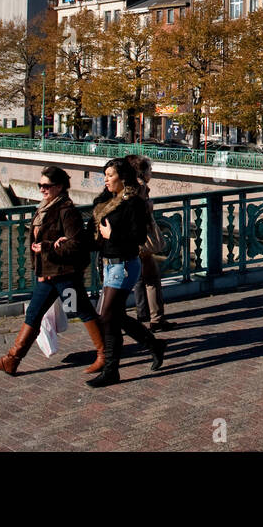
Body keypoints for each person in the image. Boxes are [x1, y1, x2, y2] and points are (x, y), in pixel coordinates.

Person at [0, 166, 104, 376]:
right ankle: (11, 360)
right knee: (34, 314)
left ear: (59, 187)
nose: (42, 189)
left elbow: (76, 244)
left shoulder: (67, 211)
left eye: (46, 185)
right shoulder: (45, 207)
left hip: (64, 275)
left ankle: (105, 354)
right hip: (48, 276)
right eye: (40, 185)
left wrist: (47, 246)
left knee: (82, 310)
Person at [86, 157, 167, 387]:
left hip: (125, 265)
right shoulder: (108, 200)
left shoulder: (134, 203)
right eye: (105, 176)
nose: (106, 180)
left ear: (122, 178)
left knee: (107, 316)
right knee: (114, 316)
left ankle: (112, 370)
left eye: (110, 175)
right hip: (109, 264)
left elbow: (138, 237)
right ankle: (154, 345)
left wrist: (114, 236)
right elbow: (95, 231)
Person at [127, 154, 177, 331]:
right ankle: (156, 319)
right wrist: (148, 206)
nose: (151, 173)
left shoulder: (127, 186)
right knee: (151, 278)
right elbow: (139, 211)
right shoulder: (140, 188)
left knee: (140, 278)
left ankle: (144, 314)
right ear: (141, 172)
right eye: (149, 170)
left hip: (131, 239)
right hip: (141, 238)